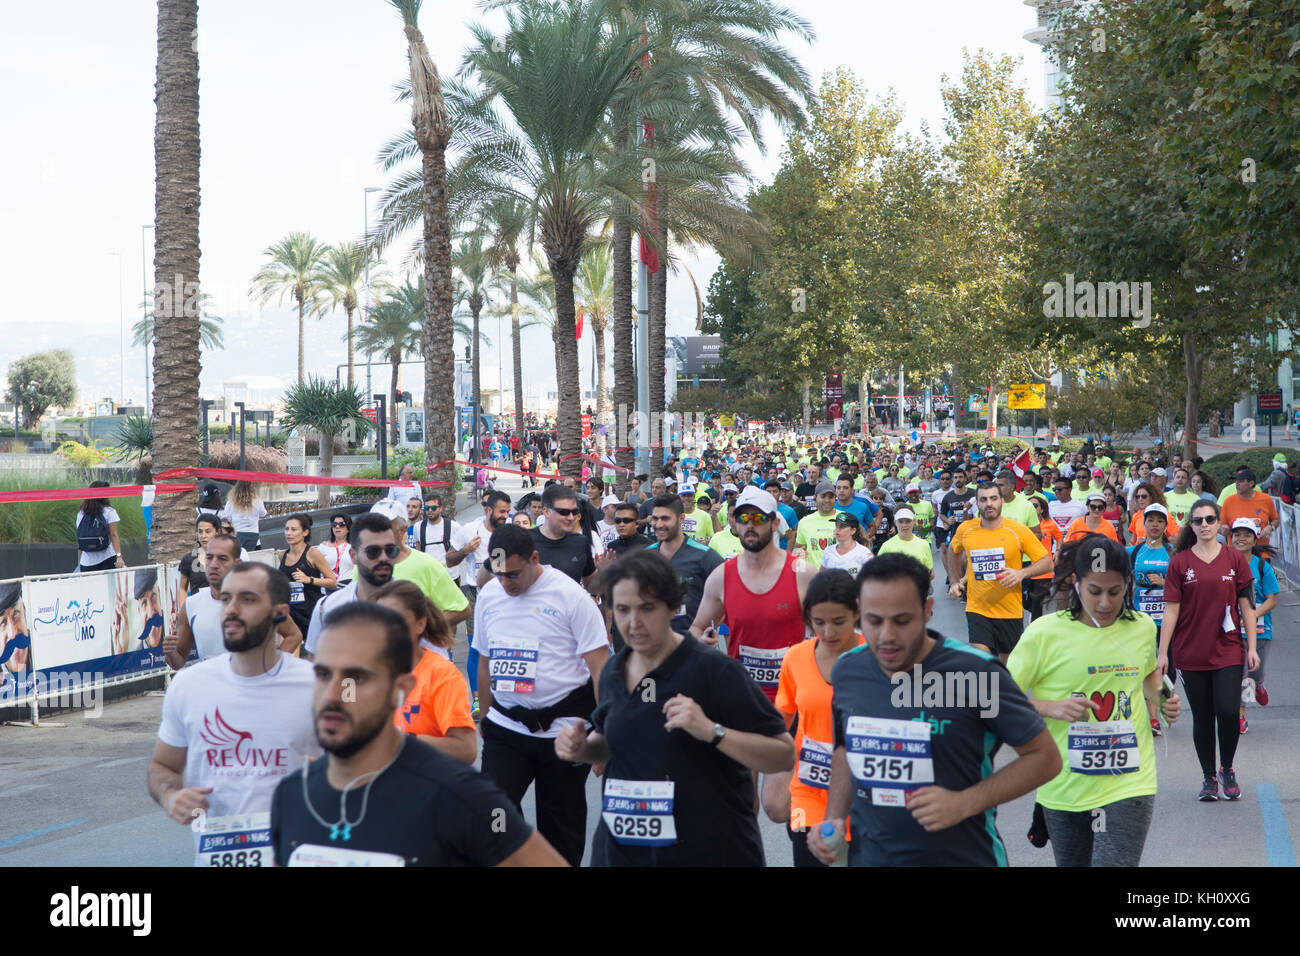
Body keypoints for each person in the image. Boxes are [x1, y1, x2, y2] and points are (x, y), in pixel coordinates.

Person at [808, 554, 1061, 867]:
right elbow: (846, 748)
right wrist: (832, 817)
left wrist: (964, 802)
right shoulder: (848, 670)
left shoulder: (976, 672)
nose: (886, 635)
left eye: (902, 620)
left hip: (964, 857)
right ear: (859, 614)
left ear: (927, 611)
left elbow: (1045, 758)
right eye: (874, 621)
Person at [271, 601, 565, 866]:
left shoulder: (463, 797)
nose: (333, 695)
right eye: (322, 675)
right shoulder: (292, 794)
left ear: (400, 689)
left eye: (356, 677)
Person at [556, 550, 794, 866]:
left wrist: (712, 731)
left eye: (647, 608)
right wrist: (582, 749)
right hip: (624, 852)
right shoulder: (615, 671)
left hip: (707, 852)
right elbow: (612, 744)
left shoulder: (715, 671)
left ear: (671, 607)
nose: (634, 622)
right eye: (623, 609)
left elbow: (783, 753)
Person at [1008, 535, 1181, 867]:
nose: (1105, 603)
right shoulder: (1044, 634)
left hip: (1129, 781)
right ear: (1076, 583)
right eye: (1095, 591)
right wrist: (1048, 707)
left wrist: (1163, 699)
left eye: (1115, 592)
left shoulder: (1142, 627)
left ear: (1127, 584)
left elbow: (1147, 677)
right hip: (1063, 784)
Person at [149, 562, 319, 866]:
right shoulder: (189, 686)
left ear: (280, 612)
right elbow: (163, 767)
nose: (231, 609)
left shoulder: (316, 688)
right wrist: (171, 796)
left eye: (248, 599)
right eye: (226, 599)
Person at [473, 524, 611, 867]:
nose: (505, 583)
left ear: (535, 558)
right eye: (498, 573)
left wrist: (605, 736)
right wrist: (486, 719)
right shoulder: (490, 596)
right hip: (507, 727)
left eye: (514, 574)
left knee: (560, 830)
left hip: (564, 731)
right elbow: (485, 663)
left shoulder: (571, 597)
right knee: (493, 817)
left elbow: (601, 669)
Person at [1158, 501, 1259, 801]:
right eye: (1198, 520)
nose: (1204, 524)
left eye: (1210, 519)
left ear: (1218, 524)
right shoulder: (1180, 562)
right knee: (1202, 716)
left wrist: (1252, 646)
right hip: (1190, 651)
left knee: (1227, 711)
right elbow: (1171, 610)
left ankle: (1227, 767)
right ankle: (1208, 778)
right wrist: (1163, 653)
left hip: (1227, 647)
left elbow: (1247, 605)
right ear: (1191, 525)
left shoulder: (1234, 559)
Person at [763, 569, 865, 867]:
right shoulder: (795, 657)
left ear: (856, 613)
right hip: (808, 795)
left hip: (864, 798)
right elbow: (780, 719)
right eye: (818, 622)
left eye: (838, 622)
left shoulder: (875, 657)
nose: (828, 632)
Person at [692, 487, 817, 704]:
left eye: (758, 518)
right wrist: (702, 641)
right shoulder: (721, 577)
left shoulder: (803, 574)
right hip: (742, 698)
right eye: (742, 517)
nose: (750, 524)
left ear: (775, 523)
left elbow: (828, 635)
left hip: (794, 698)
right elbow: (696, 628)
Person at [164, 533, 303, 669]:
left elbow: (293, 635)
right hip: (214, 689)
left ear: (238, 563)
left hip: (251, 688)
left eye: (222, 559)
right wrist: (170, 653)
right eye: (209, 558)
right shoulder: (191, 605)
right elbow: (178, 660)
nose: (214, 564)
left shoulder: (260, 599)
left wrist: (271, 668)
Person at [373, 580, 476, 763]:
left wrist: (404, 740)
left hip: (425, 784)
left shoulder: (442, 675)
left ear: (420, 625)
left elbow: (466, 749)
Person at [948, 481, 1052, 663]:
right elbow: (953, 551)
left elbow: (1047, 562)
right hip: (977, 608)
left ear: (1002, 502)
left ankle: (1000, 690)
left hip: (1009, 610)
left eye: (993, 498)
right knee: (984, 661)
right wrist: (955, 580)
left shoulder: (1018, 531)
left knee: (1006, 667)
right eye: (983, 499)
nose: (989, 503)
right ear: (977, 504)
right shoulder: (966, 529)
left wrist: (1021, 574)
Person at [304, 512, 405, 657]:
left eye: (390, 550)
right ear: (353, 556)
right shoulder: (326, 608)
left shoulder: (411, 605)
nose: (384, 558)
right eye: (373, 552)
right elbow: (315, 666)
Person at [645, 493, 724, 636]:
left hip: (693, 648)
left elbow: (728, 598)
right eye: (655, 519)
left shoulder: (705, 556)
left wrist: (706, 631)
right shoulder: (645, 556)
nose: (658, 524)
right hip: (654, 648)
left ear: (681, 519)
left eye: (665, 518)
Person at [1228, 519, 1278, 735]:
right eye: (1237, 534)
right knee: (1240, 674)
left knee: (1253, 674)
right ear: (1230, 538)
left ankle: (1259, 684)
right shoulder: (1225, 565)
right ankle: (1240, 715)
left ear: (1254, 539)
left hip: (1259, 630)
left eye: (1246, 535)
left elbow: (1272, 599)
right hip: (1231, 630)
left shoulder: (1261, 566)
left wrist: (1251, 615)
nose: (1241, 538)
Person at [528, 483, 599, 589]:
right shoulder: (524, 540)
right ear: (547, 512)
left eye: (574, 512)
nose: (571, 517)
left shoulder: (581, 542)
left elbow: (590, 584)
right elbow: (500, 573)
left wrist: (603, 572)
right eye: (564, 512)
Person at [278, 514, 338, 636]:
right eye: (287, 529)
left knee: (311, 652)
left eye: (294, 529)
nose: (289, 533)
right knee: (289, 650)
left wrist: (309, 579)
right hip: (290, 611)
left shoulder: (313, 554)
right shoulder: (282, 555)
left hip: (310, 610)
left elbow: (332, 582)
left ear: (305, 532)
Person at [76, 480, 125, 572]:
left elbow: (80, 537)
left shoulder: (81, 513)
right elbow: (113, 535)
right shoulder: (109, 511)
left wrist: (79, 561)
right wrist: (119, 556)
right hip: (107, 557)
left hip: (86, 562)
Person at [1220, 468, 1279, 543]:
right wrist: (1223, 529)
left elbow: (1276, 520)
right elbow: (1220, 525)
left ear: (1251, 483)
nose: (1237, 483)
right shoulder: (1228, 501)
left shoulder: (1266, 499)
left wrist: (1270, 527)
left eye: (1241, 481)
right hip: (1236, 552)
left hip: (1261, 550)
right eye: (1236, 480)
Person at [1026, 496, 1061, 621]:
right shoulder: (1023, 523)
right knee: (1025, 600)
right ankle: (1032, 613)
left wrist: (1057, 551)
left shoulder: (1049, 524)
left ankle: (1035, 627)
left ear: (1042, 509)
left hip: (1044, 568)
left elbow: (1059, 537)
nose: (1032, 508)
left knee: (1037, 600)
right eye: (1029, 505)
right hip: (1026, 566)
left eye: (1035, 506)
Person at [876, 507, 934, 578]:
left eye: (908, 521)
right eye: (900, 521)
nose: (904, 525)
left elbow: (931, 572)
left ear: (914, 521)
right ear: (895, 522)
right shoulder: (886, 546)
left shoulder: (924, 544)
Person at [795, 480, 840, 568]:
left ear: (835, 498)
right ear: (815, 497)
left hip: (839, 576)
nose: (827, 500)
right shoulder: (804, 522)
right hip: (814, 577)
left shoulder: (844, 518)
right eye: (823, 496)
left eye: (830, 497)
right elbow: (799, 547)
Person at [820, 511, 873, 578]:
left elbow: (872, 579)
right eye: (836, 525)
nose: (837, 529)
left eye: (842, 526)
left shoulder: (864, 553)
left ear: (853, 531)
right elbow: (821, 577)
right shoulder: (828, 551)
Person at [220, 481, 267, 552]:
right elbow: (263, 514)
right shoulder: (258, 501)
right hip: (254, 538)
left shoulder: (231, 502)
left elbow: (227, 518)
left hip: (237, 535)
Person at [315, 512, 354, 586]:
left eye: (341, 524)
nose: (337, 527)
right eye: (334, 524)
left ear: (348, 528)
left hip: (349, 586)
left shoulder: (354, 546)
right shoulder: (323, 546)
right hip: (329, 587)